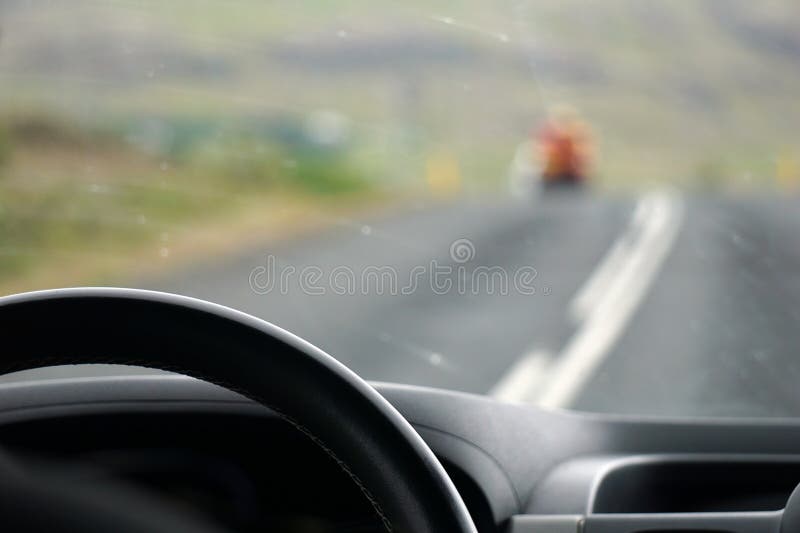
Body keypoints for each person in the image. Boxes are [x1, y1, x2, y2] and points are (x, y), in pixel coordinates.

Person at [536, 104, 594, 190]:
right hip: (553, 178)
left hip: (570, 178)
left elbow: (583, 160)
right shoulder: (551, 138)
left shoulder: (575, 138)